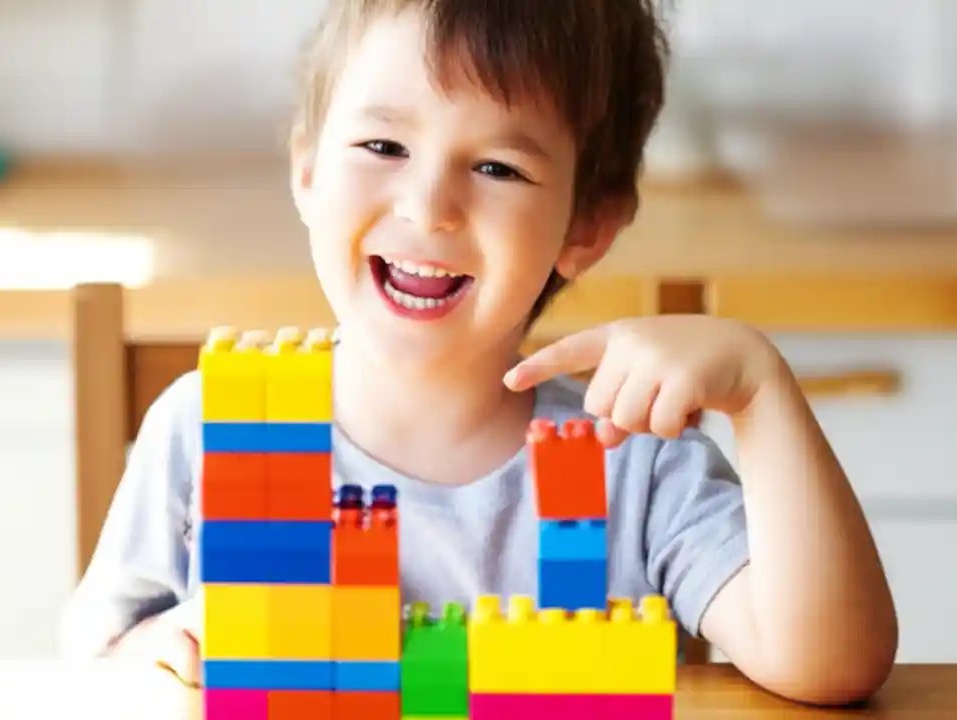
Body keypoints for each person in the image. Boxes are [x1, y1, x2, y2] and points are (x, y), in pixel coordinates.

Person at [59, 0, 898, 705]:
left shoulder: (637, 466)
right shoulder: (205, 429)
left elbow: (832, 664)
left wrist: (761, 390)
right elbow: (89, 672)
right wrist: (157, 657)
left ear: (587, 224)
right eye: (384, 147)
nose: (431, 207)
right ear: (308, 171)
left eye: (497, 166)